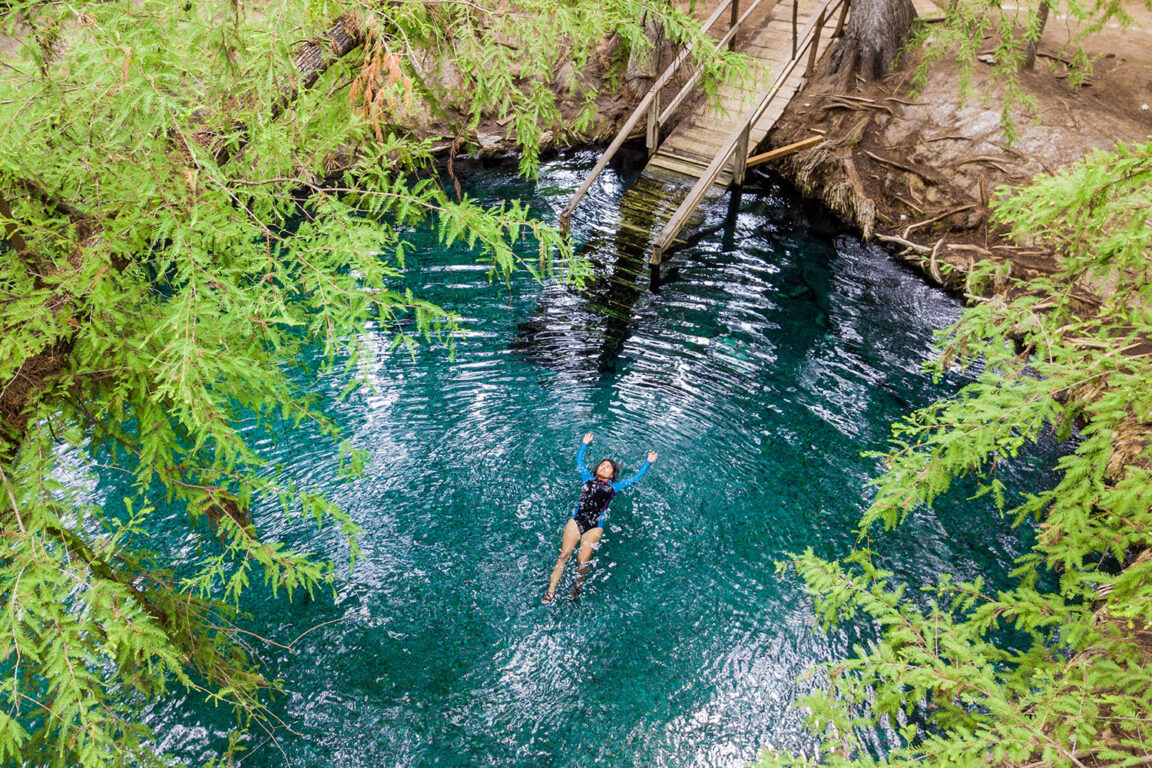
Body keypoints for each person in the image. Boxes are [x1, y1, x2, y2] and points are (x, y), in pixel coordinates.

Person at [543, 432, 658, 603]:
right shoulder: (586, 478)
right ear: (597, 469)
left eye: (608, 467)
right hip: (577, 520)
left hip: (595, 525)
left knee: (582, 560)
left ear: (612, 474)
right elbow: (579, 461)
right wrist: (584, 444)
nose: (604, 467)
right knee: (564, 554)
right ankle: (551, 591)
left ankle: (577, 587)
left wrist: (647, 463)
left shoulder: (615, 487)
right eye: (602, 465)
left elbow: (635, 478)